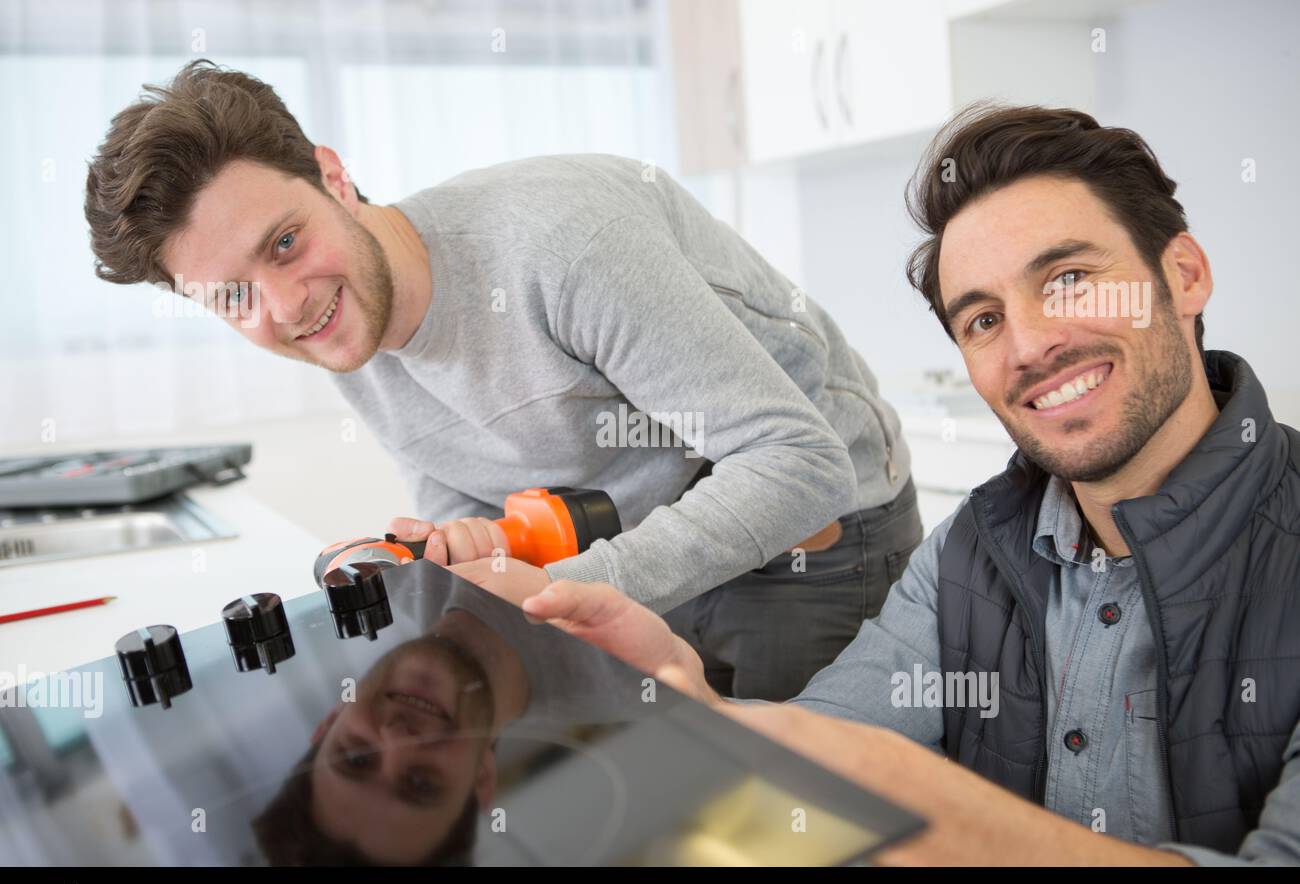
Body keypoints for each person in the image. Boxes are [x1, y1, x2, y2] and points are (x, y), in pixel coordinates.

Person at [462, 104, 1300, 866]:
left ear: (1184, 275)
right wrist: (694, 709)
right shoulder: (970, 555)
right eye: (983, 319)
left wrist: (950, 820)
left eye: (1069, 279)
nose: (1031, 344)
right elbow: (825, 749)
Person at [85, 60, 923, 703]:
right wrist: (461, 562)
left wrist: (560, 591)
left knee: (795, 813)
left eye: (283, 244)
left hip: (811, 536)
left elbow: (799, 464)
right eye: (232, 295)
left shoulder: (563, 245)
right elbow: (469, 504)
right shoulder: (338, 323)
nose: (284, 306)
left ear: (332, 177)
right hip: (638, 546)